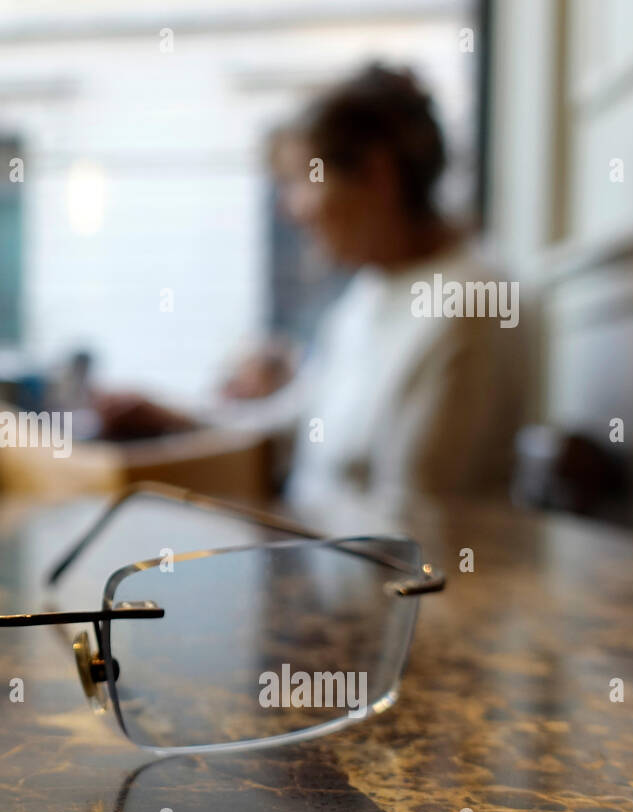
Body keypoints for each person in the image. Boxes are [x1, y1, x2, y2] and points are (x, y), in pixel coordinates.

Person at [96, 64, 532, 507]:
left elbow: (417, 521)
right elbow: (292, 425)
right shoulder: (370, 293)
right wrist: (168, 415)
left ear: (376, 175)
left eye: (304, 179)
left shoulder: (473, 304)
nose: (292, 209)